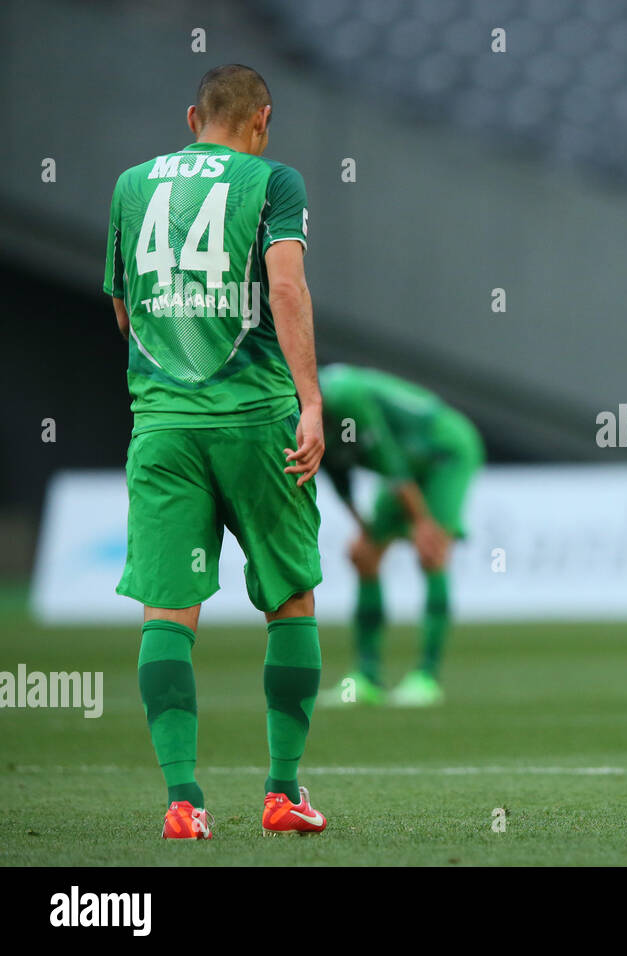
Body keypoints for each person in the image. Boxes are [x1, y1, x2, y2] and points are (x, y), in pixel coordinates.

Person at [105, 64, 328, 838]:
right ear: (261, 120)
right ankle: (281, 793)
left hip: (161, 425)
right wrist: (311, 401)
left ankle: (182, 802)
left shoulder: (132, 185)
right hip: (258, 419)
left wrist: (167, 378)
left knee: (168, 614)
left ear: (191, 114)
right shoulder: (273, 180)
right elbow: (288, 288)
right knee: (289, 597)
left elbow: (124, 305)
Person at [319, 364, 484, 707]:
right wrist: (363, 529)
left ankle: (427, 677)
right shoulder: (295, 412)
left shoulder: (344, 394)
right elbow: (337, 472)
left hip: (443, 450)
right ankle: (367, 678)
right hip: (406, 465)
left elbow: (389, 463)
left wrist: (422, 523)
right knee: (364, 555)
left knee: (431, 551)